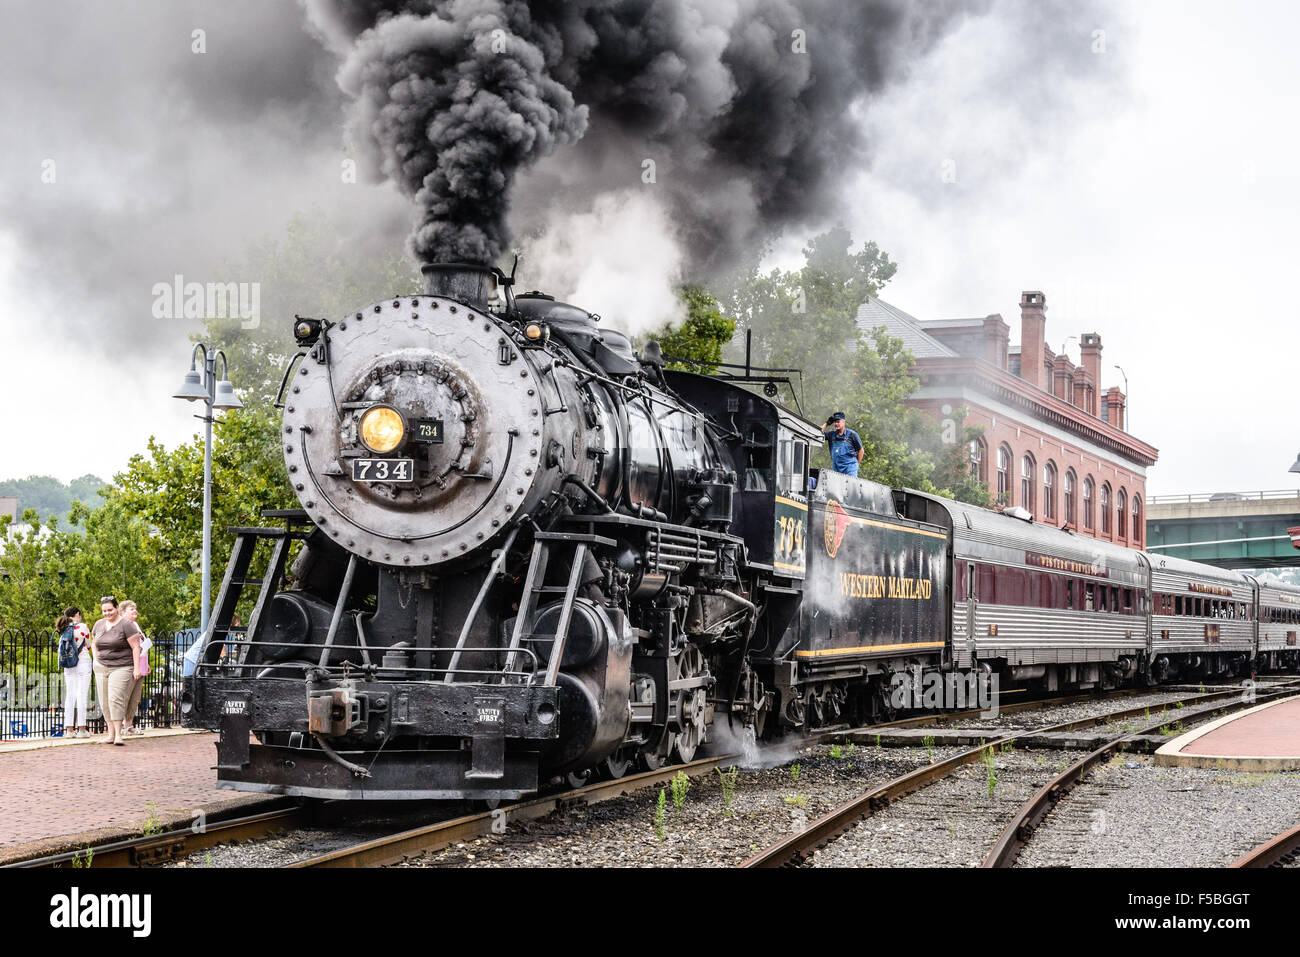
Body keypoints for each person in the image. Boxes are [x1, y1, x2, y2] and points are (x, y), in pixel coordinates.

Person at [90, 596, 143, 746]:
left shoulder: (127, 625)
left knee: (115, 698)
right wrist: (95, 660)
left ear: (117, 608)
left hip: (122, 666)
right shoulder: (99, 624)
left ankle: (119, 734)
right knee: (104, 700)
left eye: (110, 610)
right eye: (104, 611)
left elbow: (136, 647)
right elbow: (94, 643)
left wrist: (137, 668)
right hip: (102, 666)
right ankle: (110, 734)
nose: (107, 613)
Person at [56, 607, 93, 737]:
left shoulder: (63, 628)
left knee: (70, 695)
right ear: (77, 614)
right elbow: (88, 645)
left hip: (68, 664)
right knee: (82, 695)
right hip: (82, 661)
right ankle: (82, 729)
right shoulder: (82, 626)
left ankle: (69, 730)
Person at [120, 600, 151, 735]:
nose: (135, 611)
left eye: (135, 608)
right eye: (131, 609)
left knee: (135, 697)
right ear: (123, 612)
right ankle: (120, 726)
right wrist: (136, 667)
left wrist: (146, 663)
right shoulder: (124, 626)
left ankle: (129, 725)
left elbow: (141, 644)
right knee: (126, 696)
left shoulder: (135, 625)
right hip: (131, 666)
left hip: (141, 665)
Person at [823, 412, 864, 477]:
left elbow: (861, 451)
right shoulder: (831, 435)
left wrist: (856, 465)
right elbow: (817, 434)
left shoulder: (852, 434)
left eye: (838, 422)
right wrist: (827, 424)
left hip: (850, 469)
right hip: (836, 469)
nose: (836, 424)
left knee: (850, 486)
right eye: (835, 422)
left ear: (844, 422)